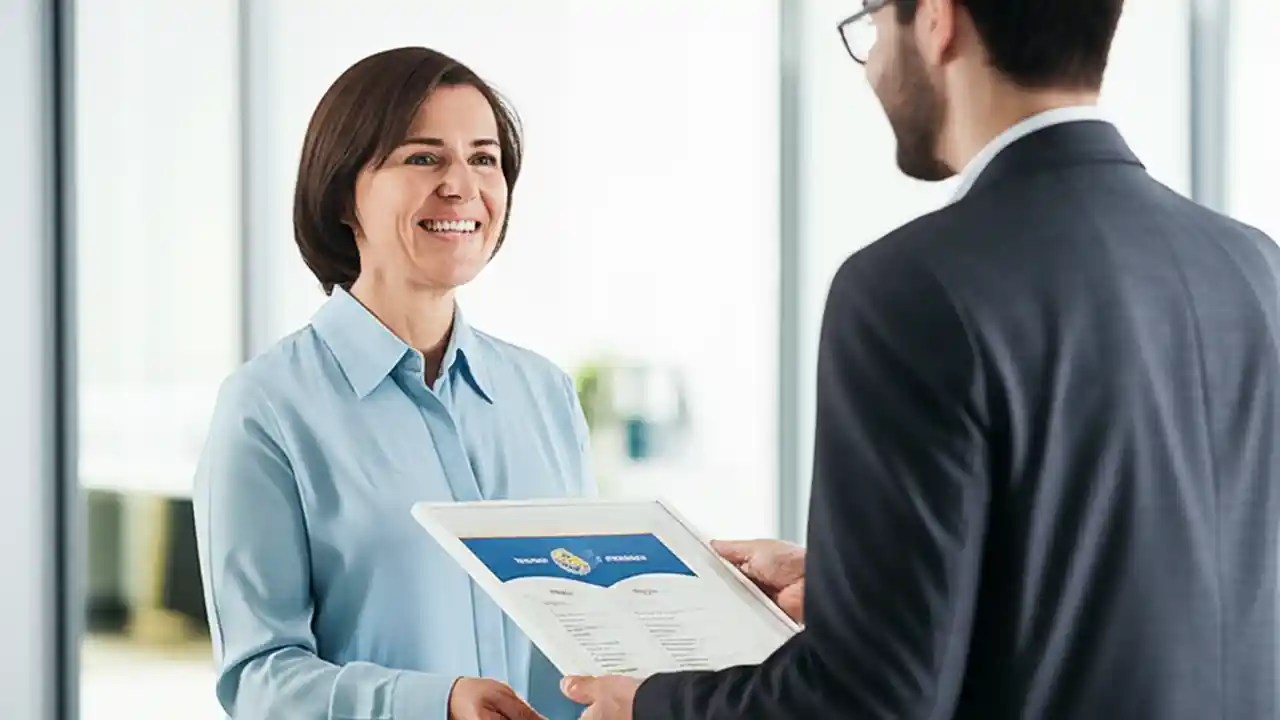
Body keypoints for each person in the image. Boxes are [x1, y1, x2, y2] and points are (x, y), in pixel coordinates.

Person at [563, 0, 1280, 717]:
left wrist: (654, 705)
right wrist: (863, 591)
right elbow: (1147, 589)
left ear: (937, 20)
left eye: (872, 23)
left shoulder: (911, 287)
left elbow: (867, 703)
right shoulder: (1254, 268)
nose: (872, 62)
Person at [194, 47, 592, 720]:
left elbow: (583, 621)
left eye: (484, 158)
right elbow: (259, 679)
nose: (462, 185)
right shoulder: (267, 408)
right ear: (343, 192)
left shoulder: (543, 394)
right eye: (423, 157)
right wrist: (436, 703)